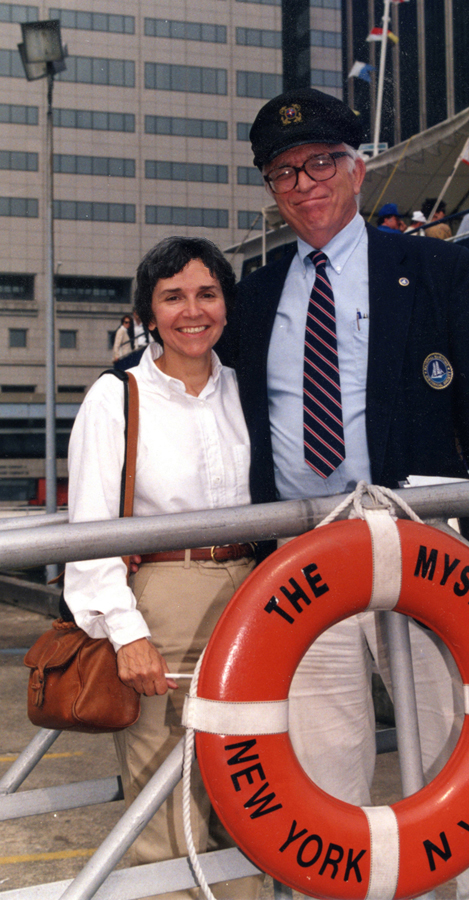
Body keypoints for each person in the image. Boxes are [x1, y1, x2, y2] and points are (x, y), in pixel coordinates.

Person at [220, 86, 469, 900]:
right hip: (302, 551)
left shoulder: (435, 268)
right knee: (321, 777)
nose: (304, 183)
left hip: (423, 546)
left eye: (321, 162)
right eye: (284, 171)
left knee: (457, 760)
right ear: (271, 189)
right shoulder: (252, 294)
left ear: (357, 169)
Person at [63, 237, 259, 900]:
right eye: (172, 297)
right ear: (148, 313)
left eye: (206, 294)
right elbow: (91, 530)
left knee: (254, 797)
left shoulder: (248, 391)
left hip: (256, 602)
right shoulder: (116, 399)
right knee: (164, 806)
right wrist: (126, 632)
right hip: (163, 603)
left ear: (226, 306)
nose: (192, 311)